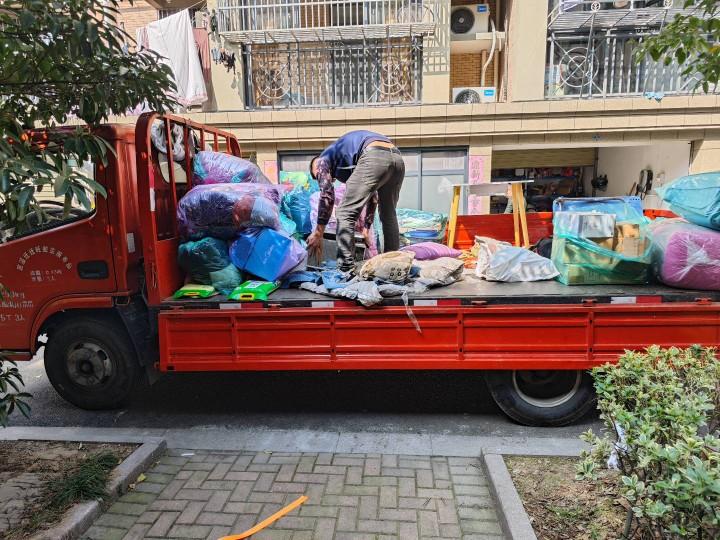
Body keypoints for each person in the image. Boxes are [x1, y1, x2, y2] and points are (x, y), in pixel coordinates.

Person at [308, 130, 405, 273]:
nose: (322, 180)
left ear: (317, 168)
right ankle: (392, 268)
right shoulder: (346, 162)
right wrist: (366, 229)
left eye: (318, 177)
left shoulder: (322, 161)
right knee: (388, 214)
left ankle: (346, 269)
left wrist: (318, 232)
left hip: (373, 154)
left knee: (344, 212)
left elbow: (327, 196)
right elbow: (373, 197)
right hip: (396, 157)